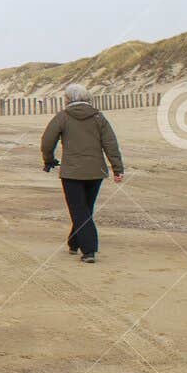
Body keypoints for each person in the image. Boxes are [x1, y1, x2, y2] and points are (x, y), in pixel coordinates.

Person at [42, 86, 124, 264]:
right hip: (96, 171)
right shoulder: (98, 117)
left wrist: (48, 159)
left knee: (79, 210)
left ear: (68, 99)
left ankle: (89, 250)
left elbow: (47, 141)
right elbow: (110, 144)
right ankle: (74, 242)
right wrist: (118, 168)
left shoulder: (63, 117)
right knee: (85, 208)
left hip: (71, 172)